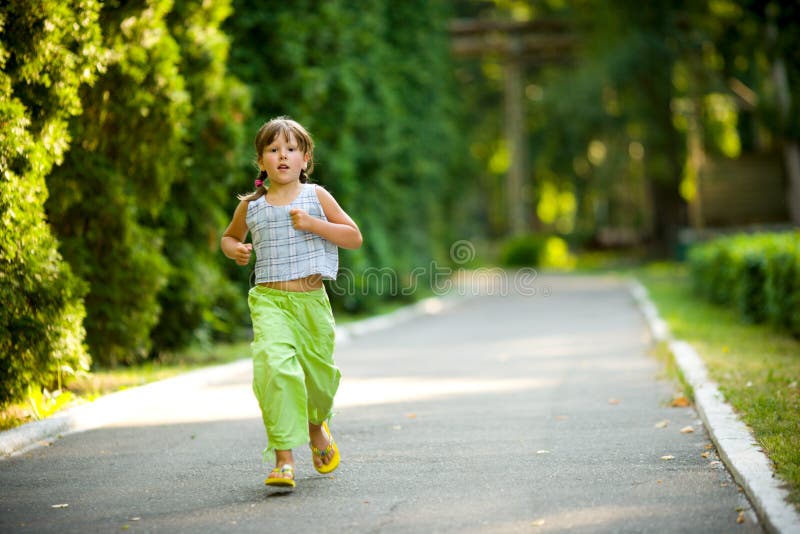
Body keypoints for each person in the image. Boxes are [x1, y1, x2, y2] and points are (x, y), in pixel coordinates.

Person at [221, 116, 362, 488]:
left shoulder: (317, 198)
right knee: (274, 369)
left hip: (311, 302)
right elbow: (229, 237)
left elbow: (353, 237)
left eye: (290, 149)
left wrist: (315, 225)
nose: (281, 155)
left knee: (319, 380)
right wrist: (236, 250)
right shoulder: (251, 206)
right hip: (269, 301)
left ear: (305, 159)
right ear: (261, 161)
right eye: (272, 149)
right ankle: (283, 458)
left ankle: (317, 426)